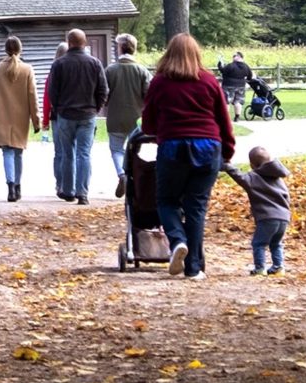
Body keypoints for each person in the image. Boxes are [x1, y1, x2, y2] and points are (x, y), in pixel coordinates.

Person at [141, 33, 234, 279]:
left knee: (167, 200)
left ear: (169, 53)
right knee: (196, 207)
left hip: (173, 146)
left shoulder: (160, 83)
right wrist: (228, 150)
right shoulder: (209, 81)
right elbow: (223, 119)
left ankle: (177, 240)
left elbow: (148, 123)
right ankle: (194, 268)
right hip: (208, 146)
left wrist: (161, 129)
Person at [45, 29, 108, 204]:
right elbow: (103, 90)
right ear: (84, 42)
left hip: (65, 114)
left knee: (67, 154)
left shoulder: (59, 64)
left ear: (69, 42)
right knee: (84, 154)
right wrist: (96, 108)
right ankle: (83, 193)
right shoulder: (95, 63)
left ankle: (68, 190)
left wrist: (58, 108)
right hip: (87, 114)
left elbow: (52, 92)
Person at [0, 36, 40, 202]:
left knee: (7, 152)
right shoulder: (27, 69)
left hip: (2, 115)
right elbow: (32, 97)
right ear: (20, 49)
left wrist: (1, 95)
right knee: (18, 153)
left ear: (5, 50)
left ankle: (10, 187)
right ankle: (17, 185)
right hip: (21, 116)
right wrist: (36, 120)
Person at [224, 146, 291, 275]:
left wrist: (227, 166)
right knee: (276, 243)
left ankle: (260, 268)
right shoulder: (278, 177)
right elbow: (287, 196)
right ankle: (278, 267)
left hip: (267, 217)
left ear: (252, 165)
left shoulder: (253, 178)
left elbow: (239, 176)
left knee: (259, 243)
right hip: (283, 217)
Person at [103, 33, 150, 199]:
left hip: (115, 117)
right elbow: (149, 94)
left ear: (120, 48)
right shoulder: (142, 71)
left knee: (116, 149)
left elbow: (104, 94)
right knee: (134, 150)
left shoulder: (110, 70)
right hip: (136, 119)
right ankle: (133, 180)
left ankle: (121, 174)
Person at [219, 52, 253, 119]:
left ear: (238, 56)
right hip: (241, 86)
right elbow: (250, 76)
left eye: (234, 56)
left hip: (228, 85)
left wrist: (219, 64)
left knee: (226, 101)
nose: (233, 57)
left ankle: (225, 117)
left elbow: (223, 71)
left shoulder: (231, 65)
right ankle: (237, 117)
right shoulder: (246, 66)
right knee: (238, 101)